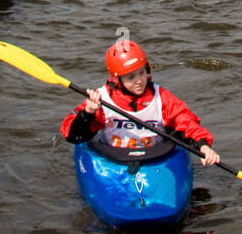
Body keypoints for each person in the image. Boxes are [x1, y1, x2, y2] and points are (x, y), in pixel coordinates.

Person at [61, 39, 220, 166]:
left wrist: (203, 146)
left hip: (157, 158)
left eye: (142, 73)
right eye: (131, 77)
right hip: (113, 159)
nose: (139, 81)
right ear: (118, 79)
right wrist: (87, 113)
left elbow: (185, 122)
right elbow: (73, 136)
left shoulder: (161, 97)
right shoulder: (100, 99)